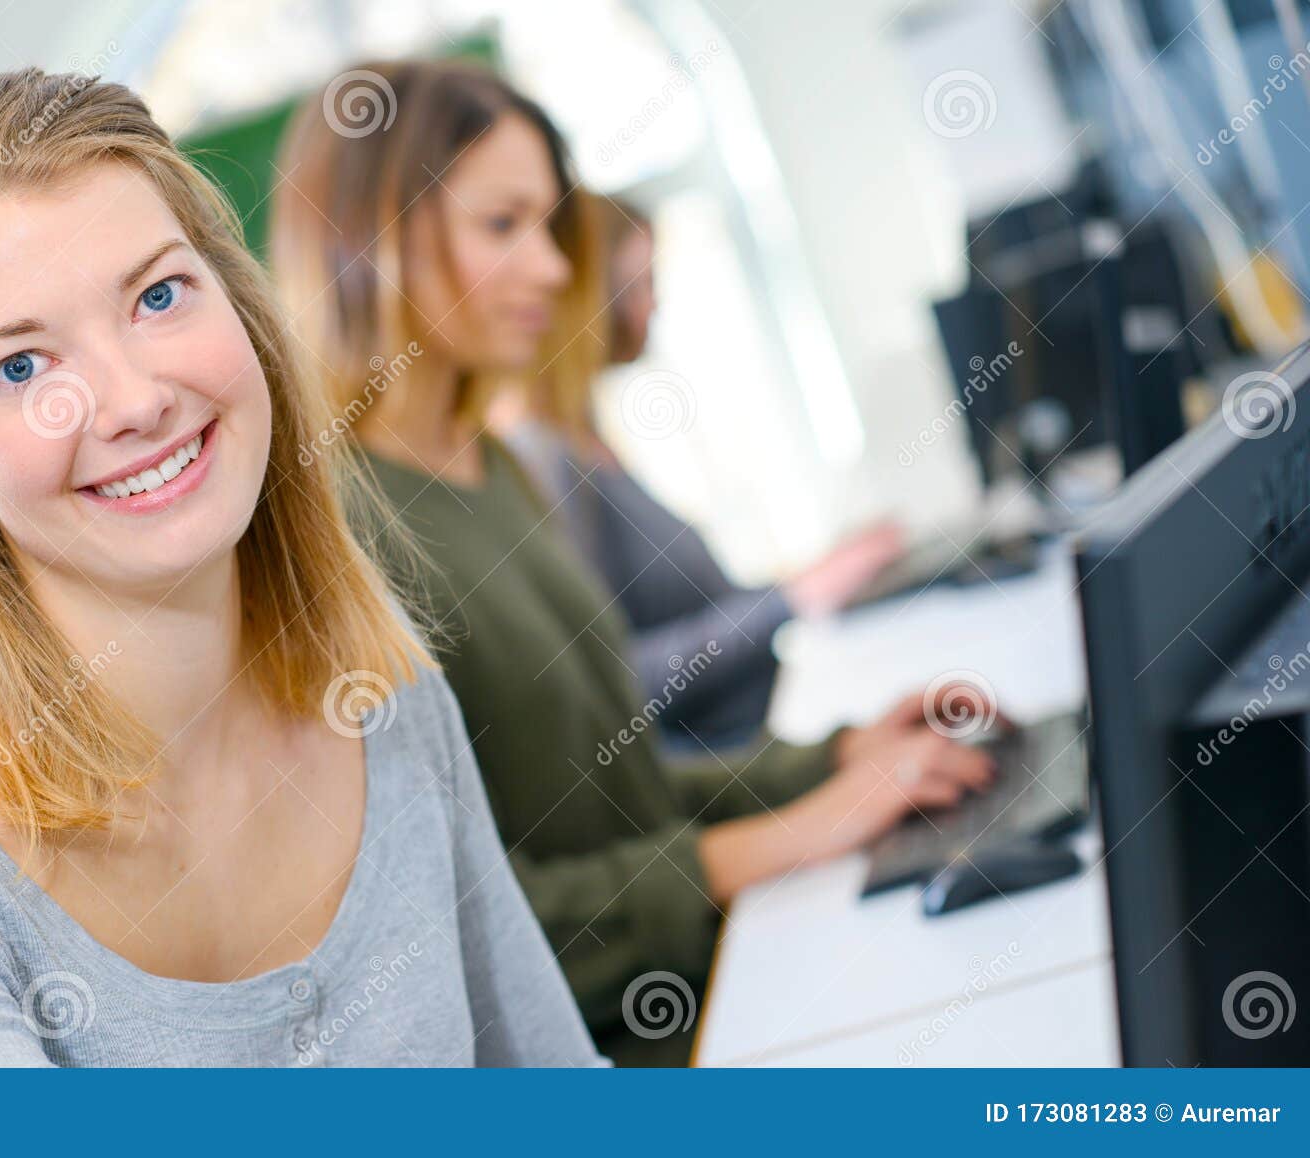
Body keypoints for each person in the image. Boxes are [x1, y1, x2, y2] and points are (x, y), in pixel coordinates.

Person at [0, 68, 601, 1068]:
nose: (131, 399)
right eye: (20, 365)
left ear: (242, 307)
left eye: (158, 295)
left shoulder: (392, 713)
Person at [271, 59, 996, 1066]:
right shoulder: (336, 540)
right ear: (375, 238)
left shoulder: (492, 469)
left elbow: (611, 791)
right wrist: (793, 833)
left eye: (548, 227)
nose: (554, 269)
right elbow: (463, 922)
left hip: (707, 983)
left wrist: (832, 761)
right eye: (501, 226)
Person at [494, 194, 904, 750]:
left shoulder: (585, 440)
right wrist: (793, 599)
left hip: (766, 732)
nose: (654, 305)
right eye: (640, 284)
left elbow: (705, 609)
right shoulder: (546, 460)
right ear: (590, 298)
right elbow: (616, 683)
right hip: (727, 770)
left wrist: (816, 577)